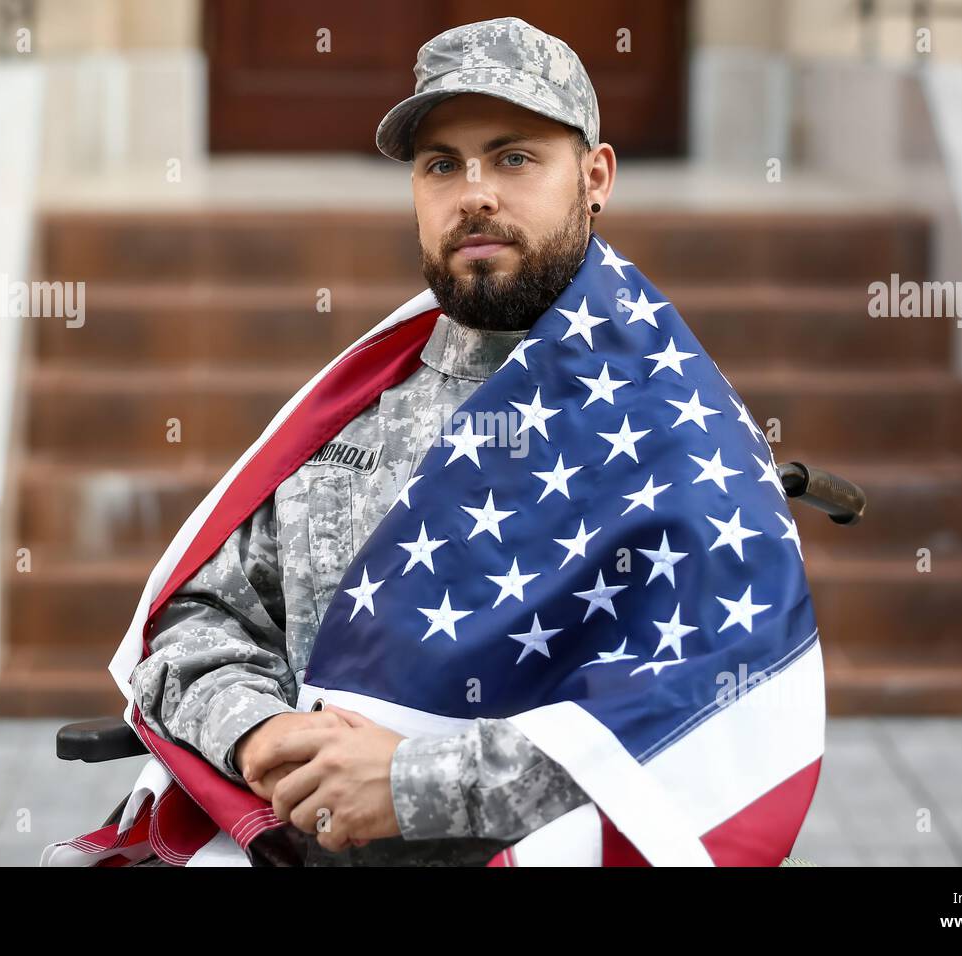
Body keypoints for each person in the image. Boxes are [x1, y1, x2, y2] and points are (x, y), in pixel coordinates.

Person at [133, 16, 616, 865]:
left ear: (594, 177)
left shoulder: (665, 429)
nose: (474, 193)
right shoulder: (353, 409)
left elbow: (694, 718)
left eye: (514, 157)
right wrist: (262, 734)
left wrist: (411, 781)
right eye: (441, 165)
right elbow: (199, 619)